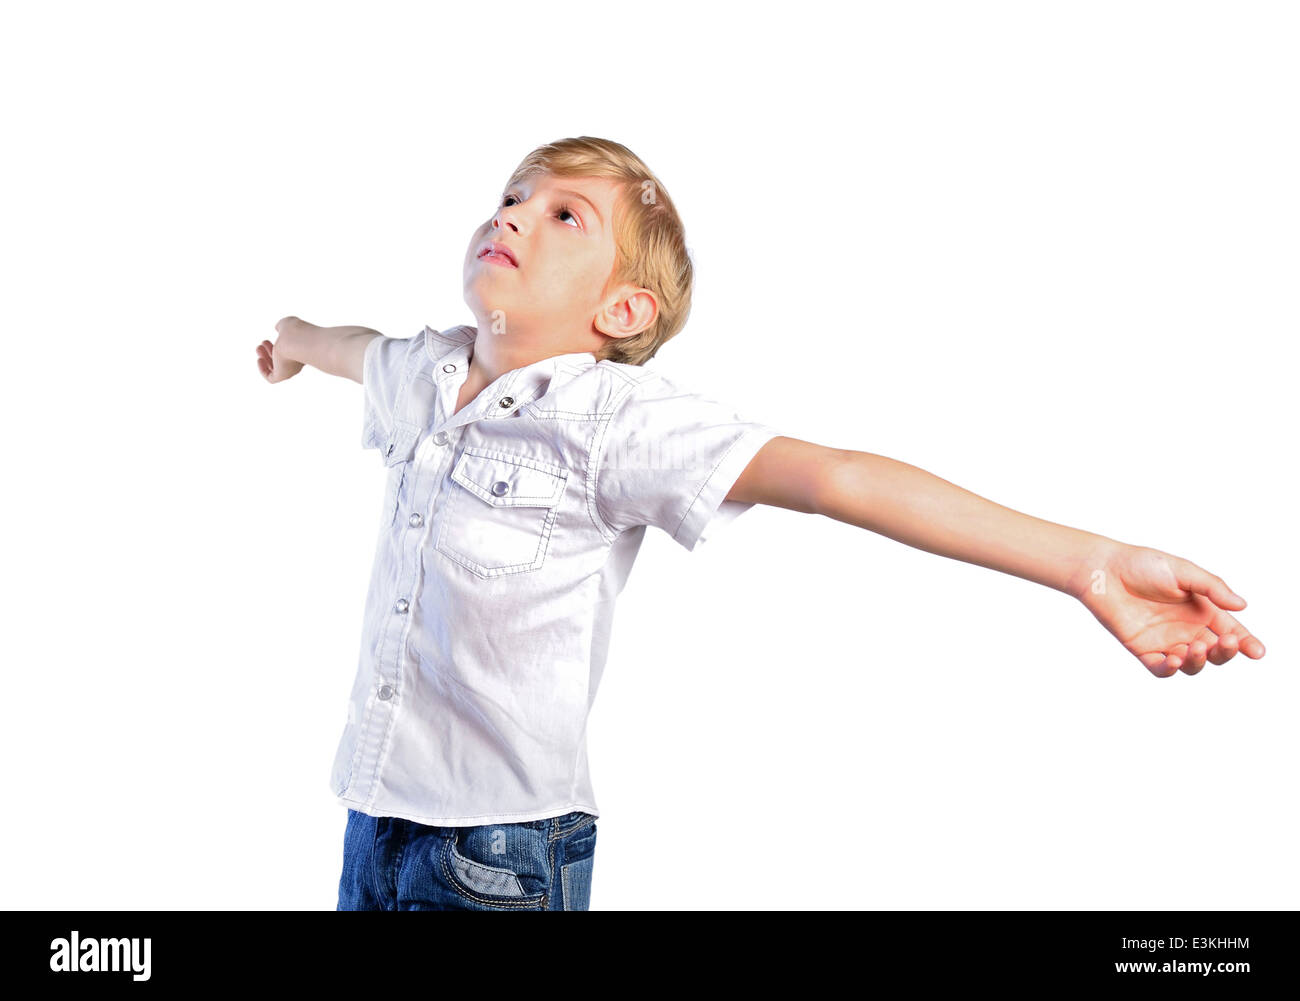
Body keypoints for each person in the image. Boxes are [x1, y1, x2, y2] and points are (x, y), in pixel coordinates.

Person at [256, 136, 1266, 911]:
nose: (513, 214)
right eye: (513, 196)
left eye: (565, 215)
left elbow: (838, 476)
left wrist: (1086, 563)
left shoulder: (615, 422)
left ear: (621, 314)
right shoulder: (421, 373)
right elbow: (355, 344)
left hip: (499, 848)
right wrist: (292, 342)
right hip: (372, 809)